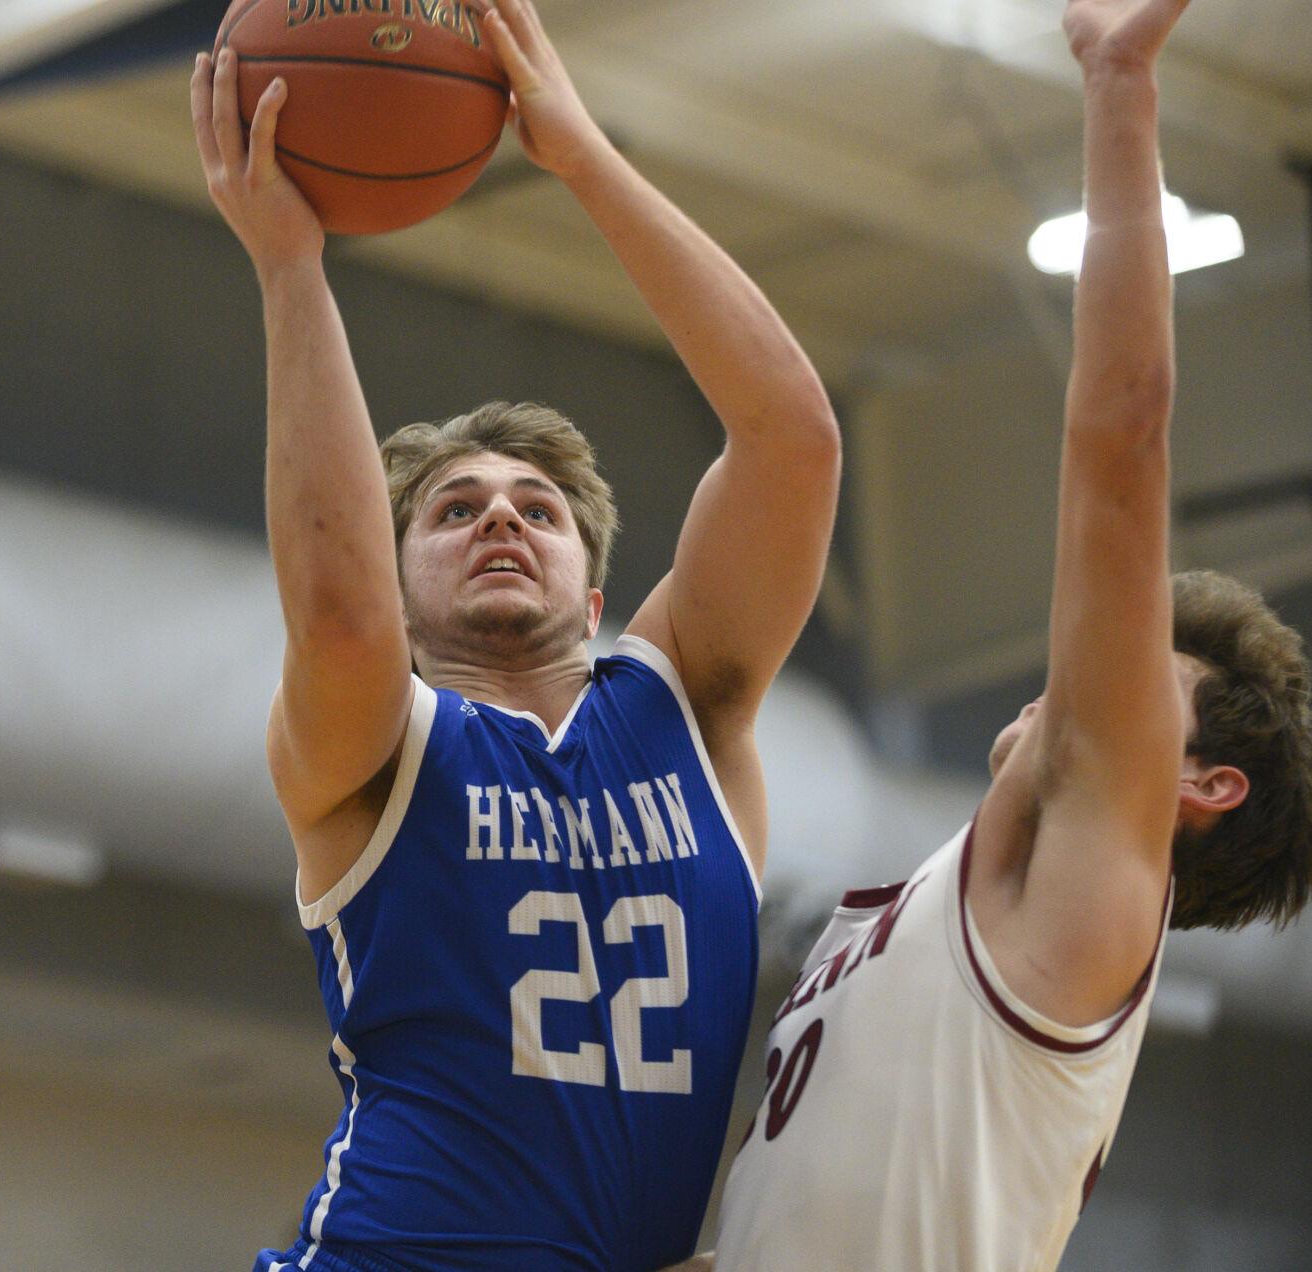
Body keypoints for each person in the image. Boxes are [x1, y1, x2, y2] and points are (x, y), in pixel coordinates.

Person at [703, 1, 1312, 1268]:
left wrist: (1119, 85)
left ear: (1198, 785)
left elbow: (1121, 439)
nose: (1087, 668)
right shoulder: (890, 929)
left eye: (1136, 674)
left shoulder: (1099, 888)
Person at [188, 0, 842, 1266]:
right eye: (452, 510)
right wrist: (289, 266)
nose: (501, 519)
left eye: (537, 508)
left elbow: (793, 443)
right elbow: (332, 615)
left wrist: (585, 157)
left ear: (596, 598)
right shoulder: (375, 746)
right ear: (401, 583)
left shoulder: (686, 711)